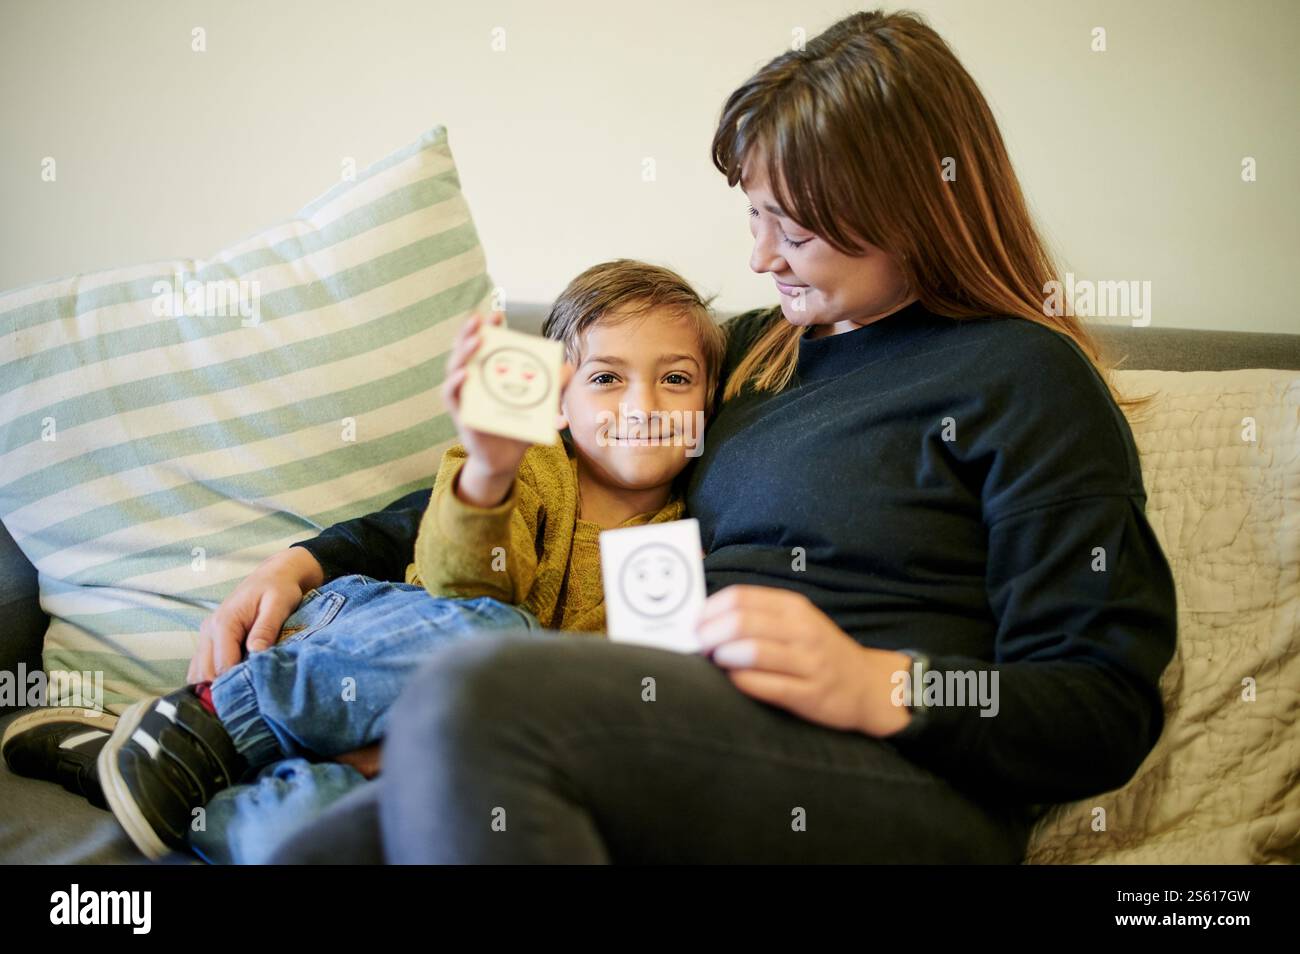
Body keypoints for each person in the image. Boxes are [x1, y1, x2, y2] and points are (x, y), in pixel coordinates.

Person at [267, 8, 1178, 863]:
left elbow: (1101, 702)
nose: (759, 258)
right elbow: (543, 466)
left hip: (896, 784)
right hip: (666, 730)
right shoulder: (744, 355)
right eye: (754, 214)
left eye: (795, 229)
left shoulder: (1026, 379)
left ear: (911, 210)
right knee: (313, 851)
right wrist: (307, 561)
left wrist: (881, 683)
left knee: (478, 695)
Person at [1, 259, 726, 862]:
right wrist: (488, 474)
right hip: (361, 649)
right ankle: (218, 717)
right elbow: (456, 591)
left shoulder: (681, 551)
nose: (642, 402)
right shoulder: (522, 465)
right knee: (503, 643)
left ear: (710, 401)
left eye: (675, 378)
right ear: (558, 401)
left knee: (324, 834)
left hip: (430, 744)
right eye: (606, 377)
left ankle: (156, 786)